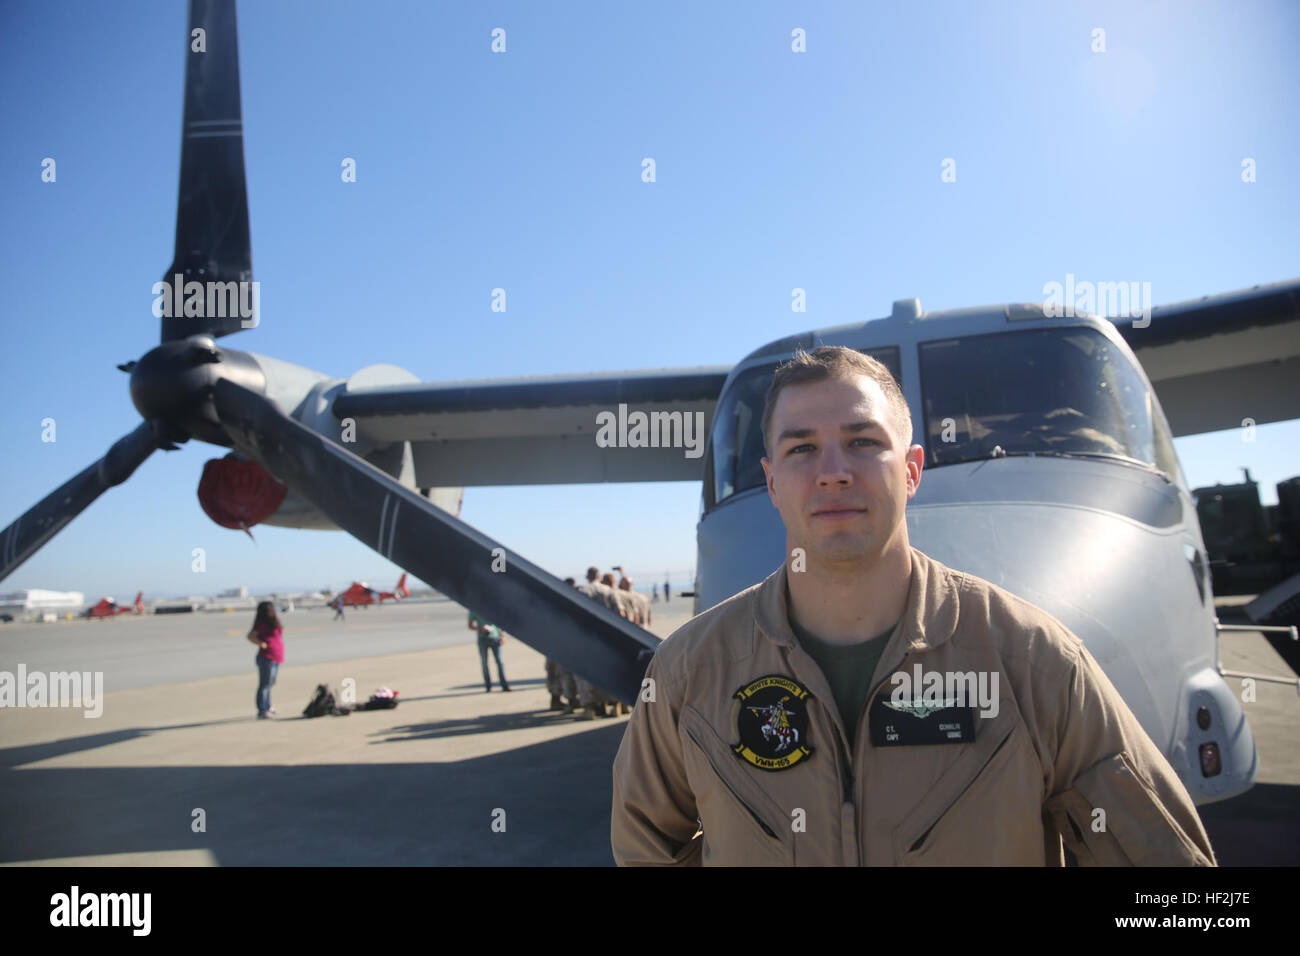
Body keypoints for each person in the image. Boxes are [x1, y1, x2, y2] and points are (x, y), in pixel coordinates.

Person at [611, 345, 1216, 866]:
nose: (833, 473)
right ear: (771, 482)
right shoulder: (689, 672)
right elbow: (645, 845)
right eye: (801, 449)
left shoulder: (1033, 662)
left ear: (912, 470)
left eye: (862, 441)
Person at [246, 601, 284, 719]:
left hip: (276, 655)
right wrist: (261, 643)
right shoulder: (261, 623)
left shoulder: (274, 621)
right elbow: (251, 636)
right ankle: (262, 709)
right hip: (266, 657)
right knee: (265, 684)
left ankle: (268, 705)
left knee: (270, 682)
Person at [468, 611, 510, 692]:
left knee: (500, 662)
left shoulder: (493, 607)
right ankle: (488, 686)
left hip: (495, 638)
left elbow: (501, 622)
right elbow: (470, 625)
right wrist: (480, 629)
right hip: (482, 639)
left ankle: (504, 685)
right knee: (484, 663)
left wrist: (503, 635)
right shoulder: (474, 609)